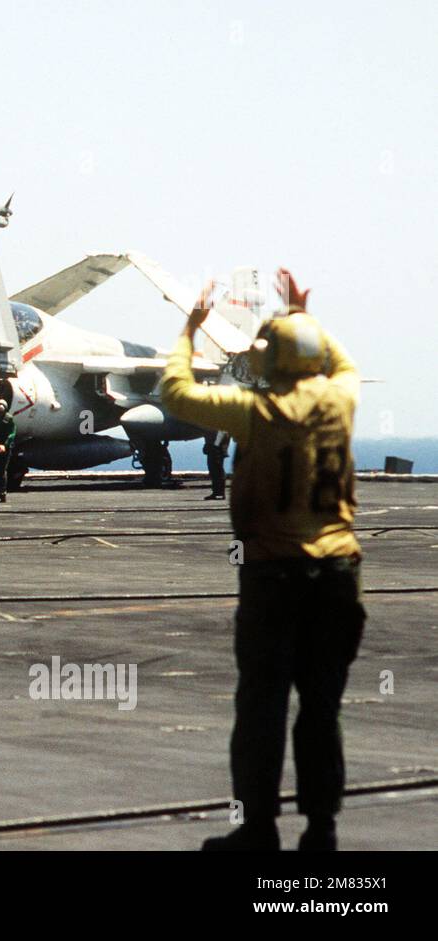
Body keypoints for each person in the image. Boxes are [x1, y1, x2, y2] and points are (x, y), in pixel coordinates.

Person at [161, 269, 364, 852]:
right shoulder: (341, 398)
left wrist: (189, 330)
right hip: (338, 576)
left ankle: (258, 830)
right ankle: (322, 832)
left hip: (274, 578)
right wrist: (304, 316)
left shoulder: (256, 409)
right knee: (322, 709)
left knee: (262, 706)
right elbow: (342, 363)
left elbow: (176, 393)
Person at [202, 430, 231, 500]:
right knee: (215, 468)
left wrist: (215, 445)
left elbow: (221, 431)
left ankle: (218, 493)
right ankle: (218, 492)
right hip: (216, 445)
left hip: (216, 446)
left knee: (216, 469)